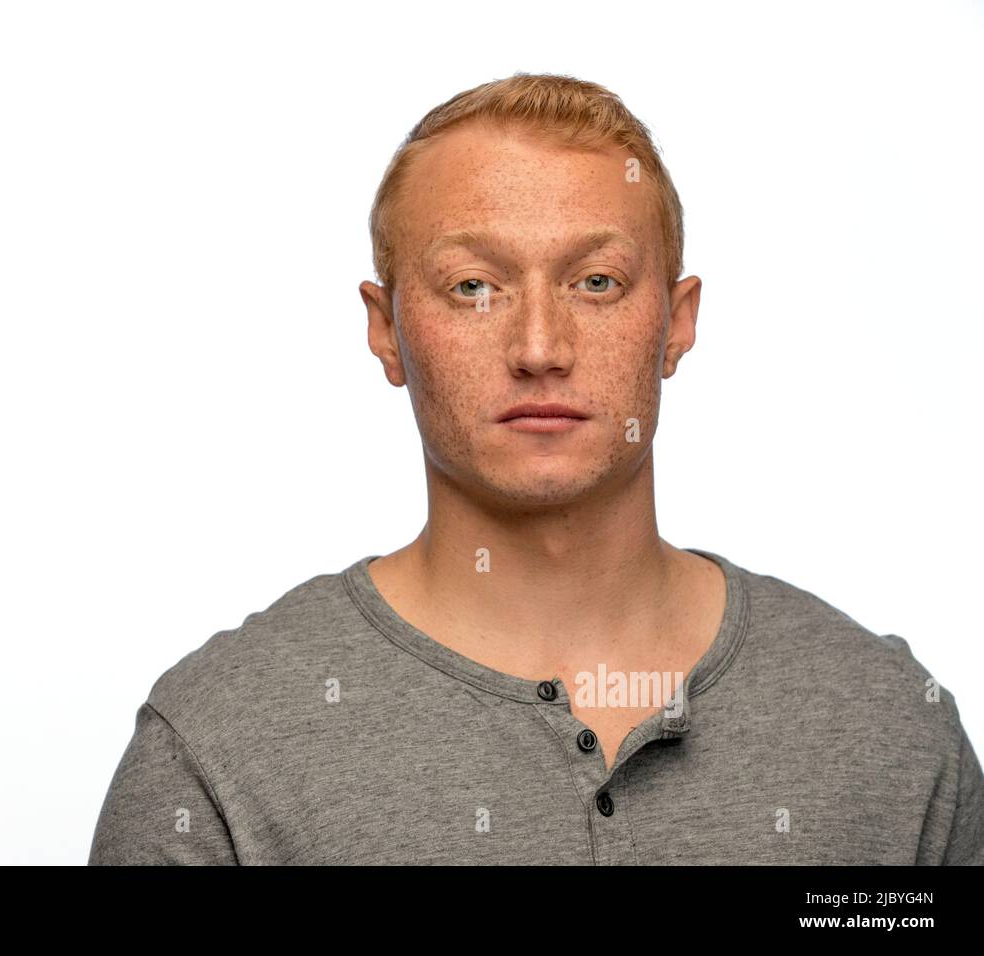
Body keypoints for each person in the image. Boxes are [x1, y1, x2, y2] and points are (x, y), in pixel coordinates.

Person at [88, 73, 984, 865]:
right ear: (385, 329)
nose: (540, 348)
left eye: (596, 282)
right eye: (473, 286)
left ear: (677, 322)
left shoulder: (891, 732)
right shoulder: (217, 751)